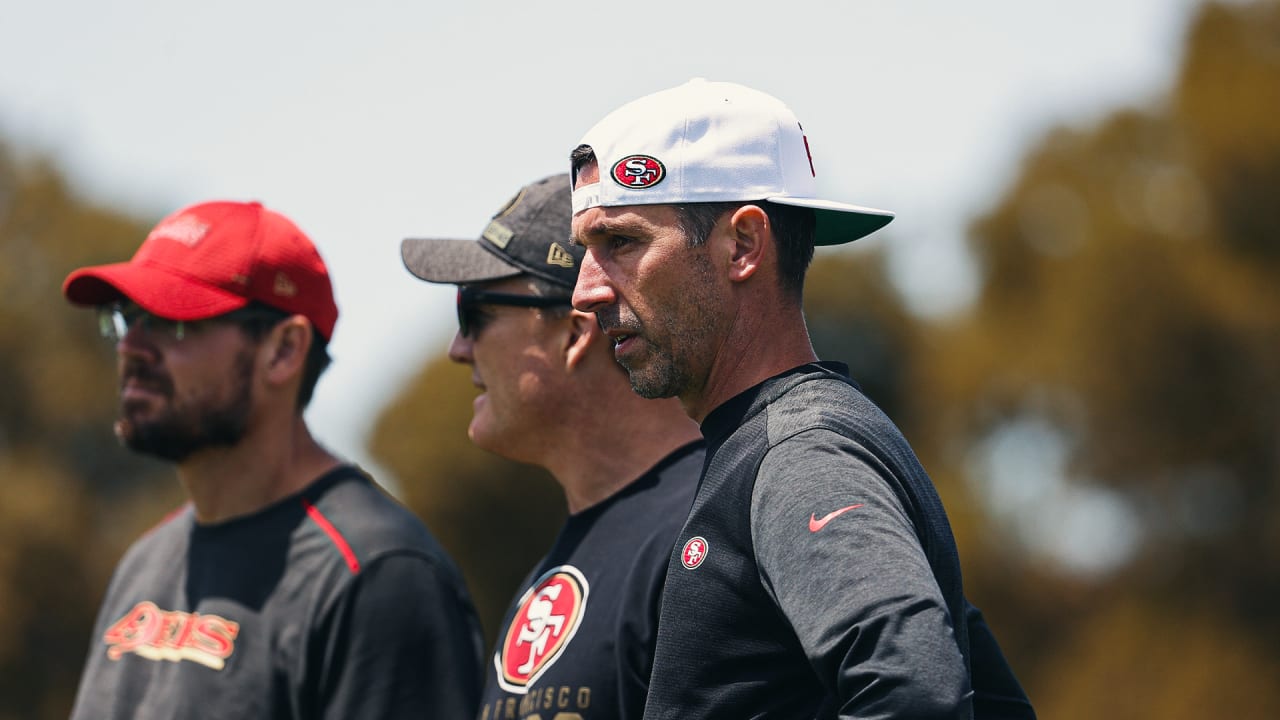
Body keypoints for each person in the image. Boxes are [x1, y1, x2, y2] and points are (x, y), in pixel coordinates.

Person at [568, 79, 1036, 719]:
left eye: (621, 242)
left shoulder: (800, 455)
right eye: (584, 251)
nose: (586, 291)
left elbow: (917, 694)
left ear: (743, 245)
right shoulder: (778, 446)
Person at [61, 200, 485, 719]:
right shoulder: (145, 563)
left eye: (173, 322)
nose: (133, 349)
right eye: (127, 319)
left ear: (283, 351)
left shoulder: (378, 575)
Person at [400, 173, 705, 720]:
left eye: (475, 312)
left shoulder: (709, 530)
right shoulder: (562, 560)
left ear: (573, 334)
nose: (457, 348)